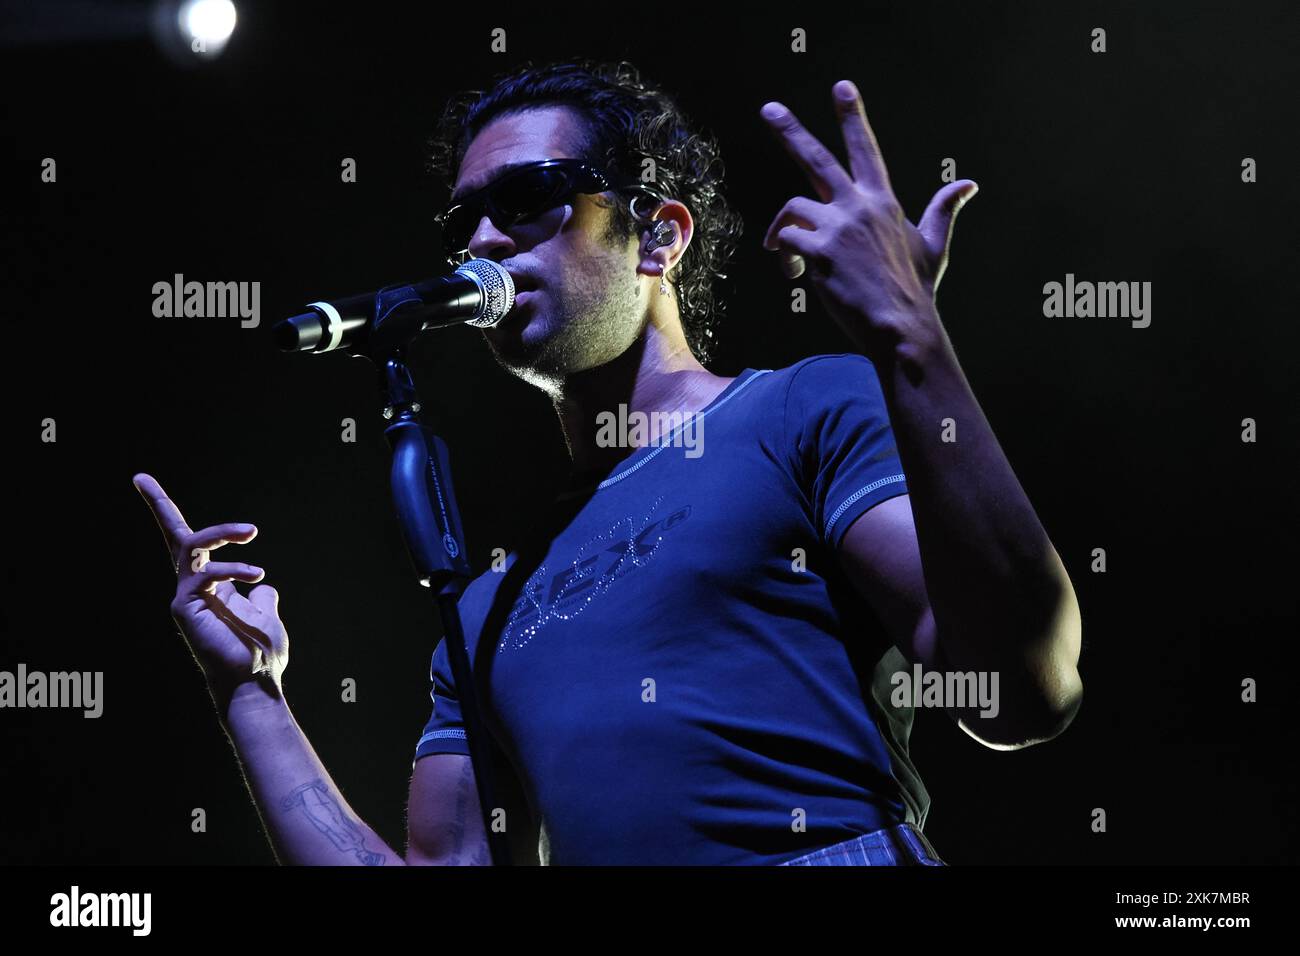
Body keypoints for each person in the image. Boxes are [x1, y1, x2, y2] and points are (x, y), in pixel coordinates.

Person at [135, 60, 1082, 866]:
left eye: (526, 195)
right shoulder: (484, 608)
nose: (481, 241)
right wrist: (247, 690)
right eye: (463, 218)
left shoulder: (802, 409)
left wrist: (914, 340)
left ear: (660, 237)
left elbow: (1015, 690)